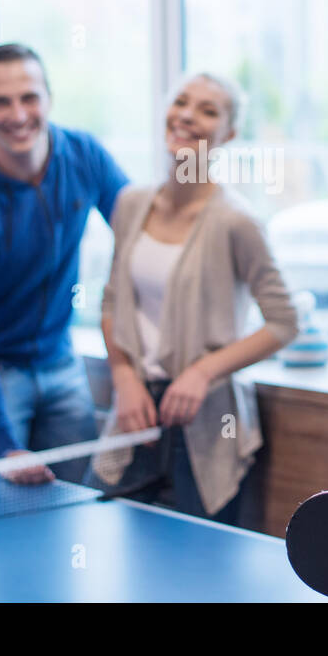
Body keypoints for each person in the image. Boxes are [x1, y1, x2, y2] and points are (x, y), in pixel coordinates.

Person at [87, 73, 299, 524]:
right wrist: (124, 376)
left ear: (229, 134)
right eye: (181, 102)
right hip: (135, 414)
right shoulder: (130, 204)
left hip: (207, 425)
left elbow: (284, 322)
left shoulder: (236, 223)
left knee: (199, 574)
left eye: (208, 110)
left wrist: (202, 372)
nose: (187, 115)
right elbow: (110, 303)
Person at [0, 43, 128, 484]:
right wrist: (4, 446)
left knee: (74, 499)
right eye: (0, 101)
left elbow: (139, 235)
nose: (18, 114)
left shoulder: (83, 156)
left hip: (60, 360)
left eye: (29, 97)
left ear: (48, 99)